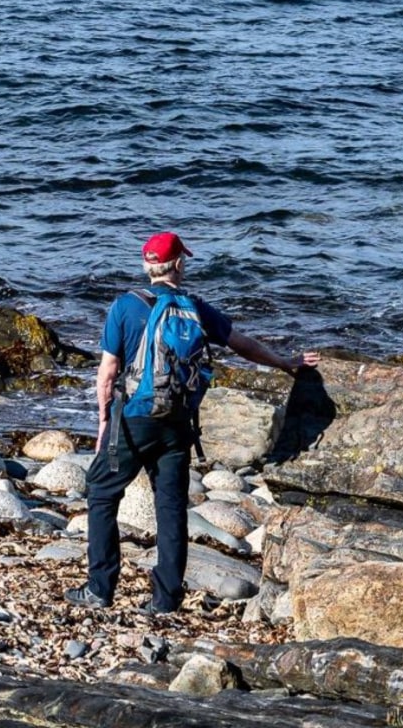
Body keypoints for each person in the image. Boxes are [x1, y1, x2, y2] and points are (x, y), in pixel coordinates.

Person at [65, 231, 320, 615]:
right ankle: (165, 598)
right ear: (179, 264)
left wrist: (104, 422)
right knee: (170, 508)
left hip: (134, 419)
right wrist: (285, 363)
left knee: (102, 494)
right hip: (179, 422)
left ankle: (101, 588)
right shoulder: (195, 308)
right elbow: (242, 344)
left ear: (146, 266)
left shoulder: (124, 307)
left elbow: (107, 375)